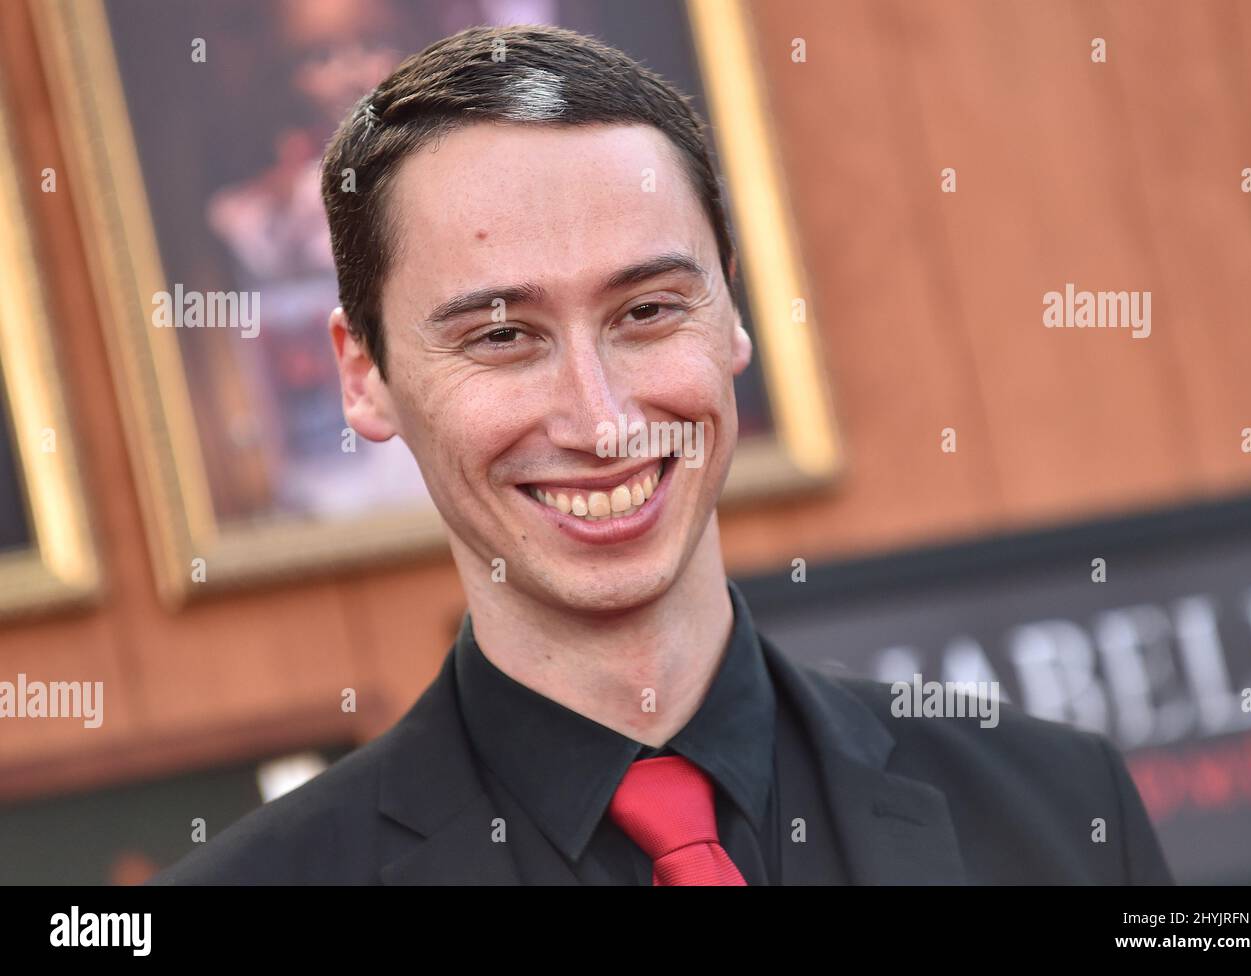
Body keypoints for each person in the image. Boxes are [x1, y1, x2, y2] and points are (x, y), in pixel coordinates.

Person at [150, 23, 1173, 885]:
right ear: (364, 373)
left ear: (729, 308)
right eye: (502, 336)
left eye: (645, 311)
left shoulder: (1064, 810)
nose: (600, 422)